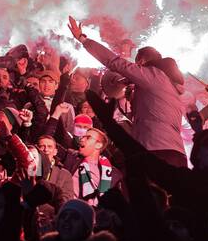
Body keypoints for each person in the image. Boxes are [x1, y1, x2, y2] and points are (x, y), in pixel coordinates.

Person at [66, 17, 187, 166]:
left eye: (137, 64)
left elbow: (116, 63)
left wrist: (83, 39)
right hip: (176, 153)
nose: (136, 67)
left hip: (155, 149)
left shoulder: (154, 75)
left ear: (142, 61)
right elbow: (148, 113)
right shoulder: (172, 88)